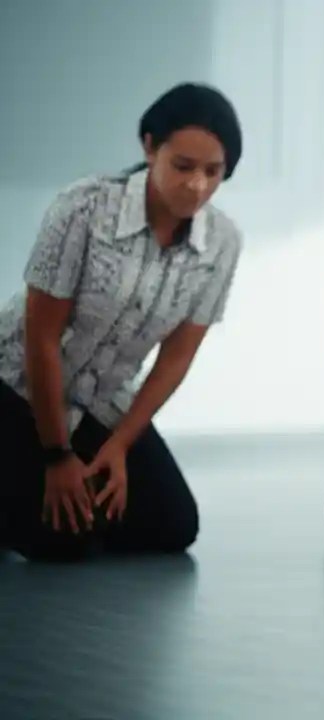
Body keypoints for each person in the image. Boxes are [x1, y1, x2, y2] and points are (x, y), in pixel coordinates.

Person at [0, 82, 244, 562]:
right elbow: (41, 338)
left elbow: (176, 358)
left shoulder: (222, 243)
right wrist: (57, 455)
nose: (197, 185)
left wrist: (119, 444)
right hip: (15, 386)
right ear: (150, 147)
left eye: (213, 172)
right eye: (183, 166)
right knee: (59, 542)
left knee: (173, 524)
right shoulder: (83, 207)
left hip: (97, 402)